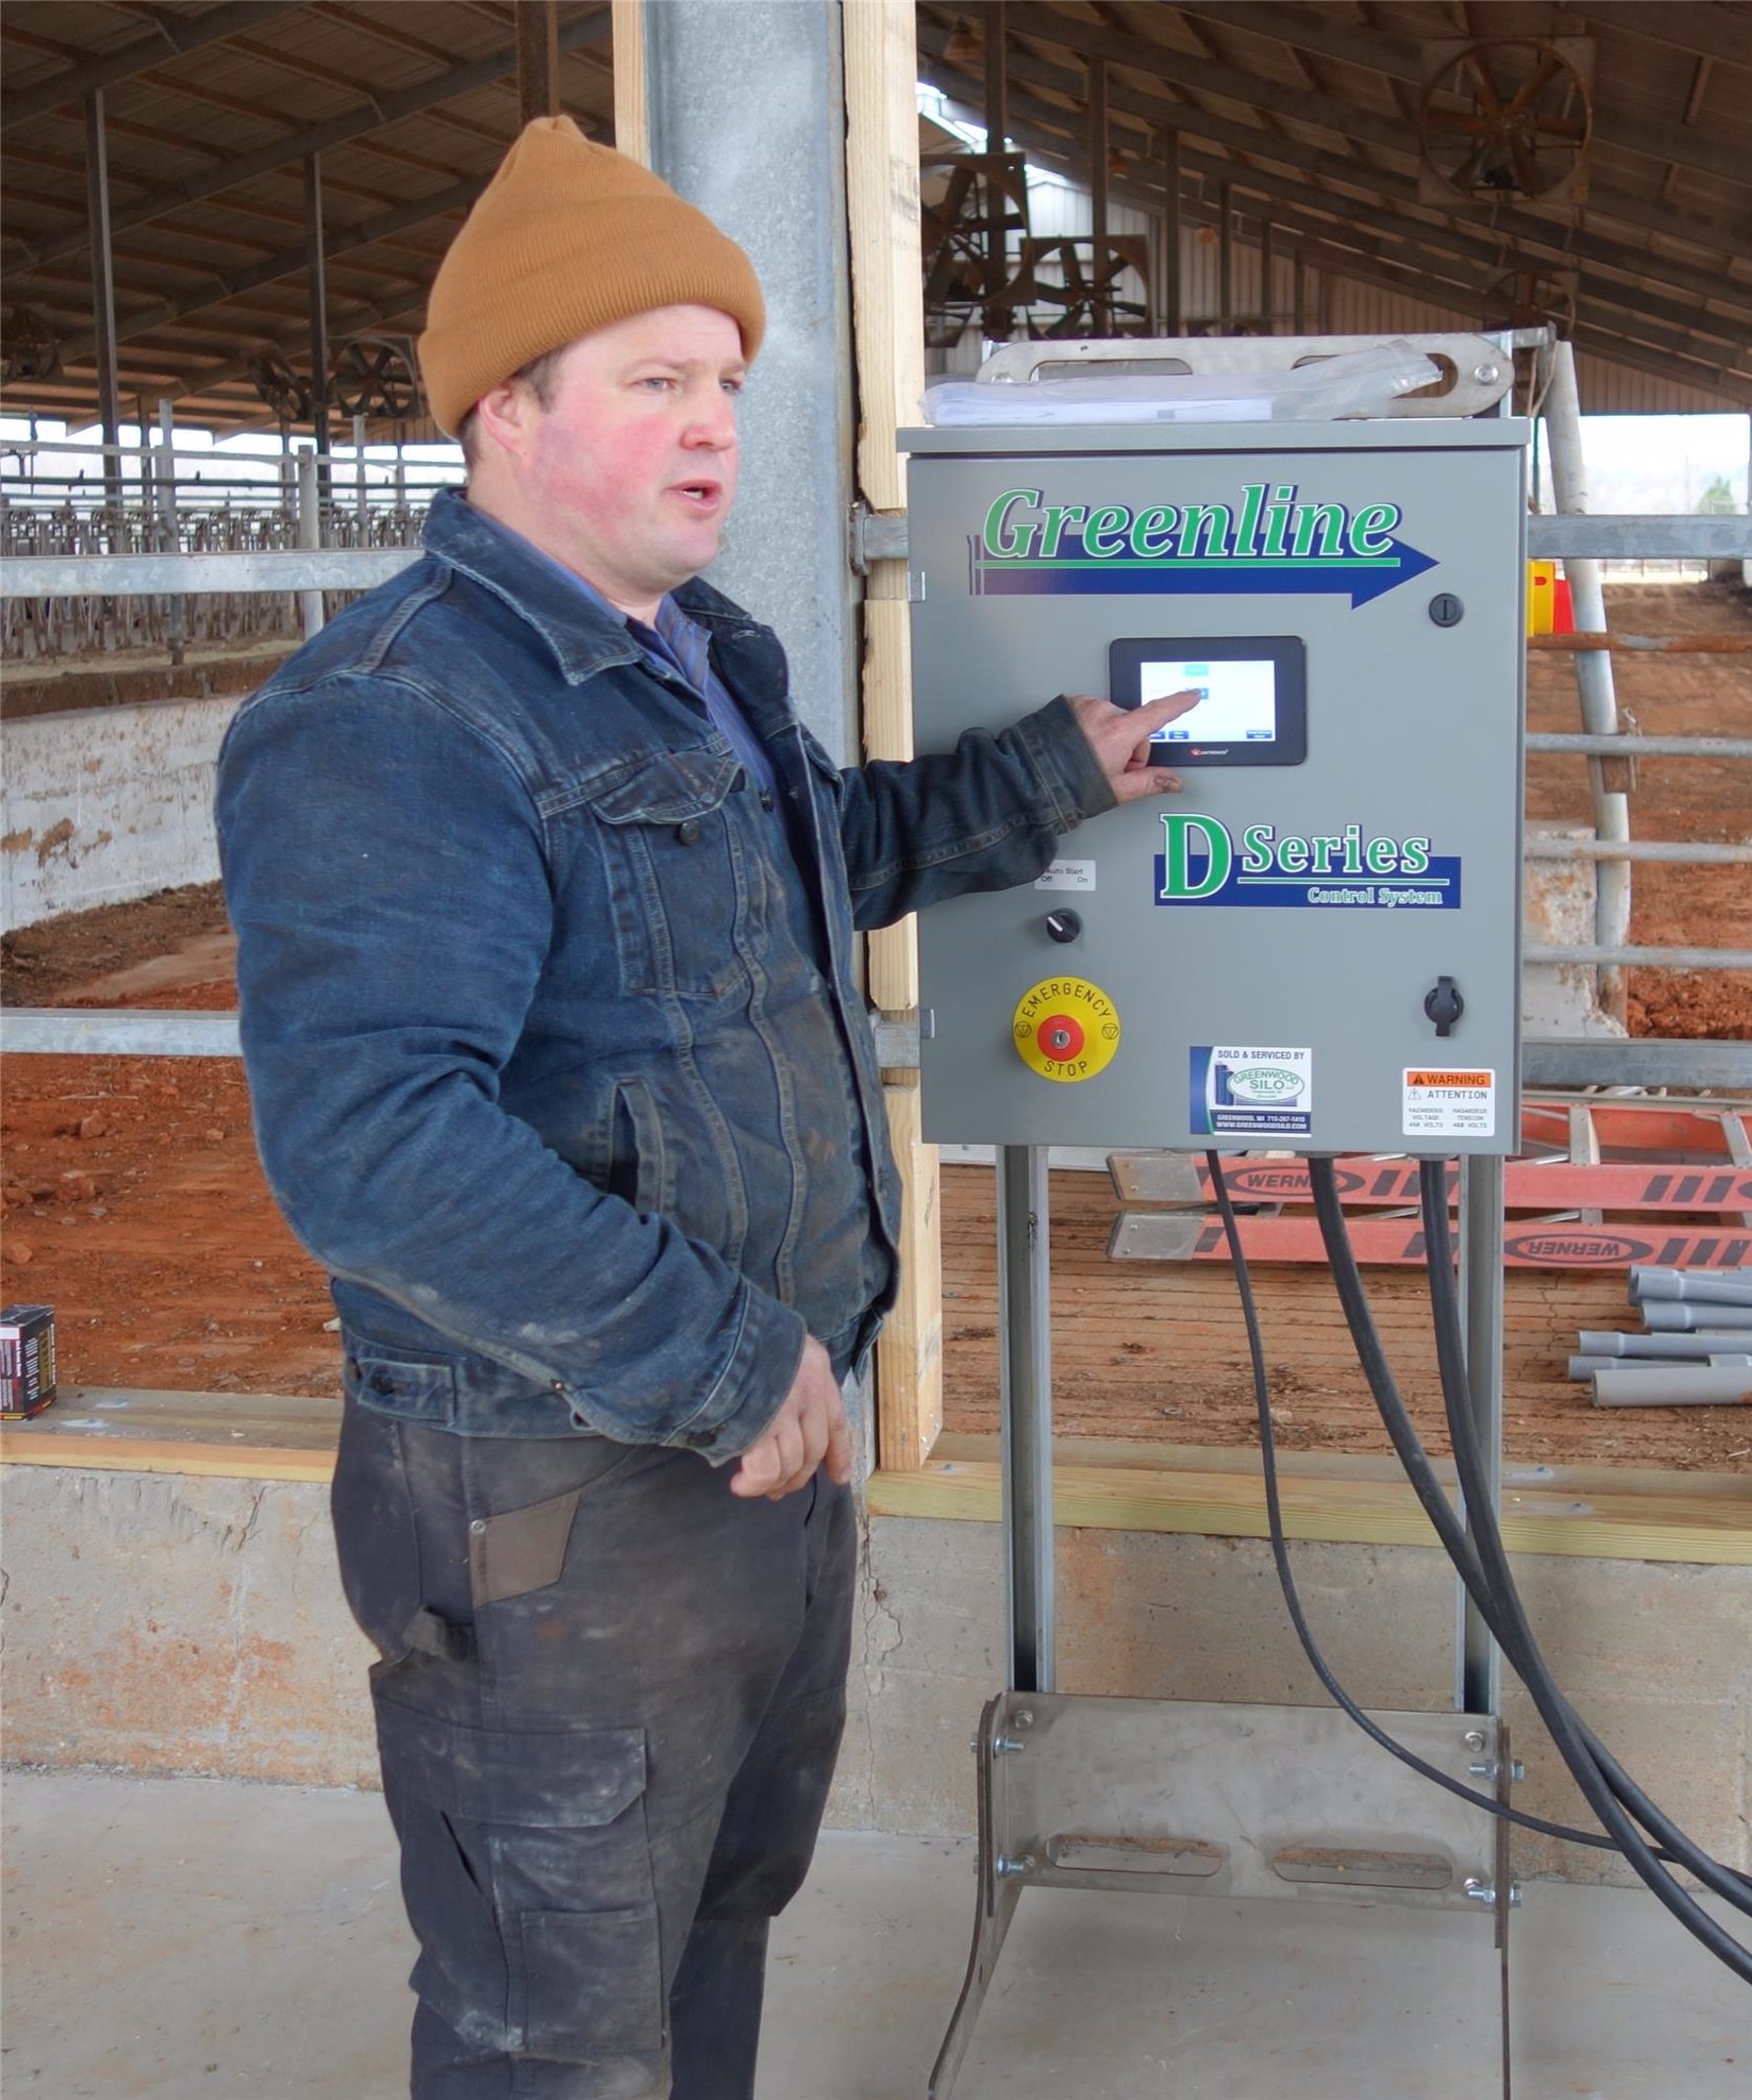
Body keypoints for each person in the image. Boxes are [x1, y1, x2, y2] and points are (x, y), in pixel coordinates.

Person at [216, 117, 1195, 2099]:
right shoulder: (397, 711)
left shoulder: (691, 666)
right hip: (559, 1493)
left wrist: (1052, 776)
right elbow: (372, 1143)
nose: (713, 428)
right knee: (555, 2032)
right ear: (507, 408)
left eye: (727, 384)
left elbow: (817, 855)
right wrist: (723, 1356)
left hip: (750, 1459)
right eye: (653, 381)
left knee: (708, 1939)